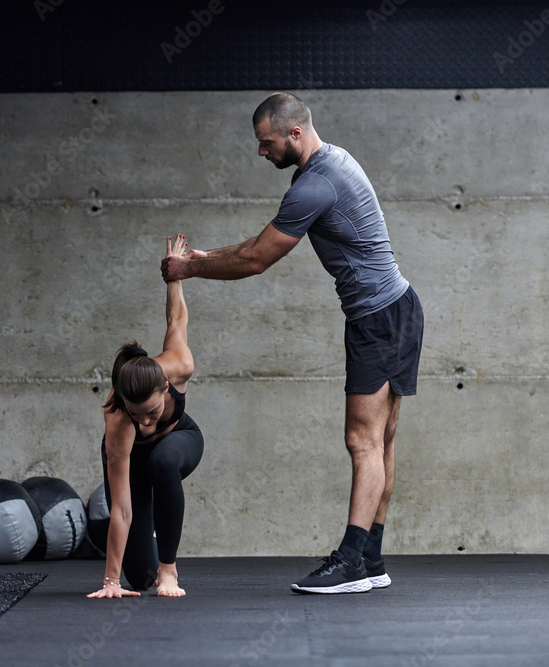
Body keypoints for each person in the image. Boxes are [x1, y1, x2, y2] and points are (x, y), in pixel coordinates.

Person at [161, 92, 423, 594]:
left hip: (380, 320)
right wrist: (206, 255)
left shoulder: (316, 184)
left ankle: (349, 562)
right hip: (393, 311)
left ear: (295, 134)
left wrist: (189, 268)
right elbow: (258, 243)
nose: (262, 153)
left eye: (267, 143)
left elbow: (258, 260)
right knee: (380, 441)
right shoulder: (328, 162)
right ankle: (370, 559)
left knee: (362, 440)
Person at [88, 234, 204, 599]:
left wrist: (175, 278)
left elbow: (176, 318)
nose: (145, 423)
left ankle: (169, 570)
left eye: (152, 412)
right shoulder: (118, 421)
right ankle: (151, 547)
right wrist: (110, 582)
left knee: (164, 458)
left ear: (166, 388)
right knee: (138, 578)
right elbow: (120, 509)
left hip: (180, 442)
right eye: (138, 416)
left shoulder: (178, 364)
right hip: (135, 460)